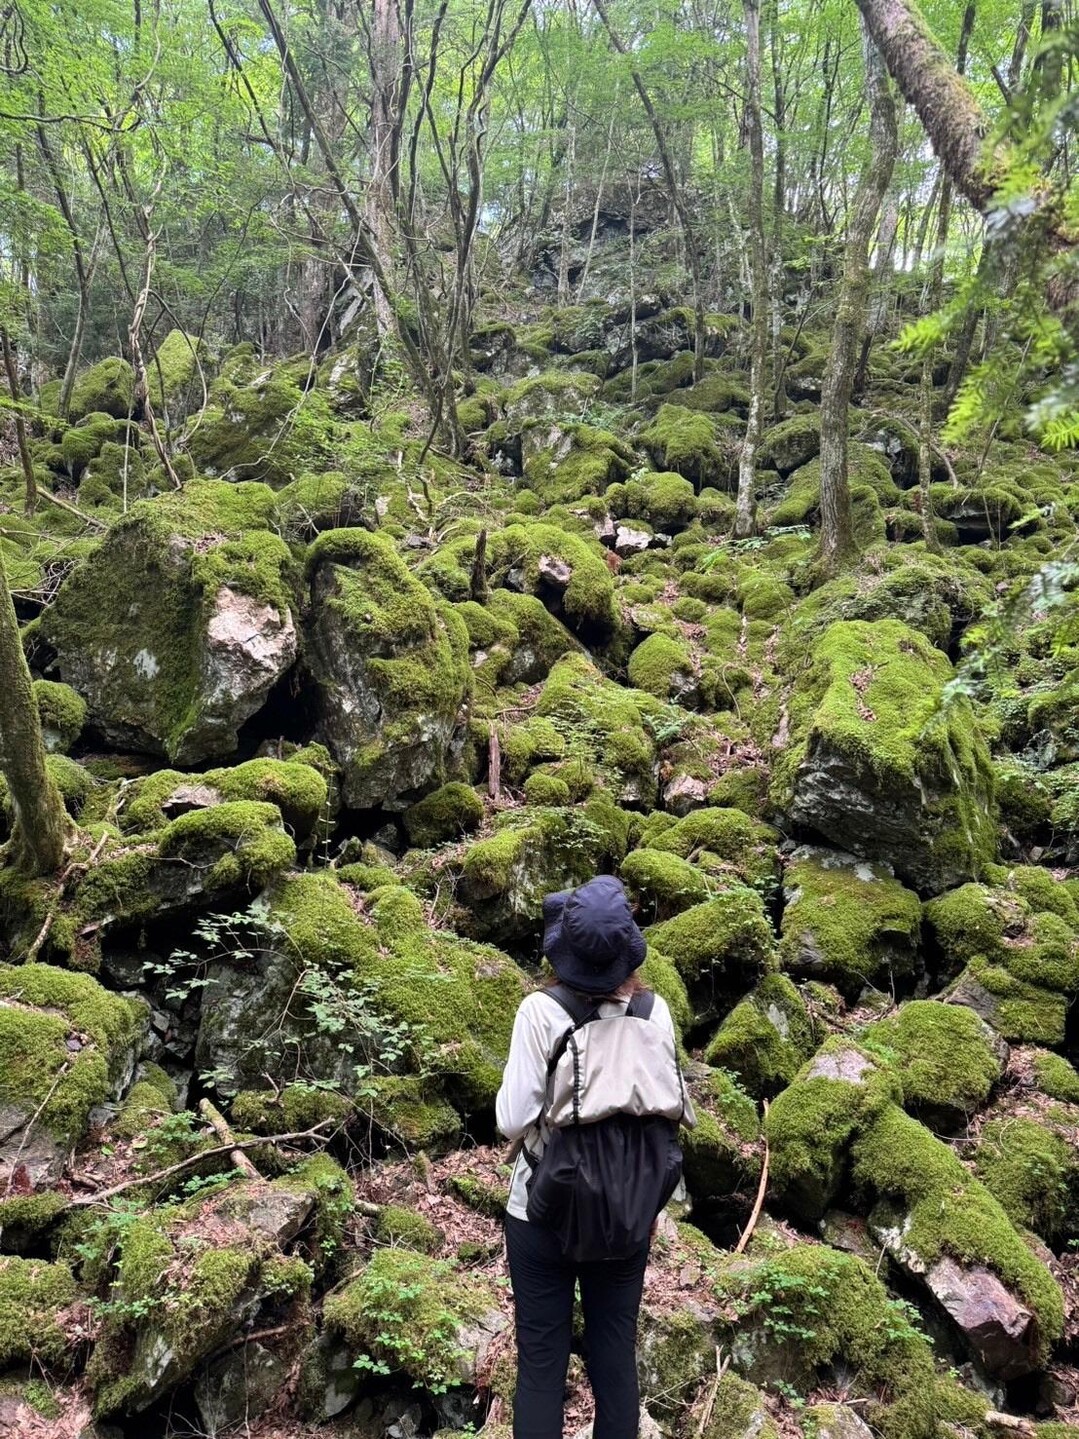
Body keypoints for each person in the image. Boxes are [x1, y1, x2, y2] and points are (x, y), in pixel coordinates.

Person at [495, 875, 677, 1439]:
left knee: (543, 1366)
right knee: (614, 1362)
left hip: (543, 1211)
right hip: (627, 1213)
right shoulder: (653, 1012)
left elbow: (512, 1119)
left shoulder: (540, 1012)